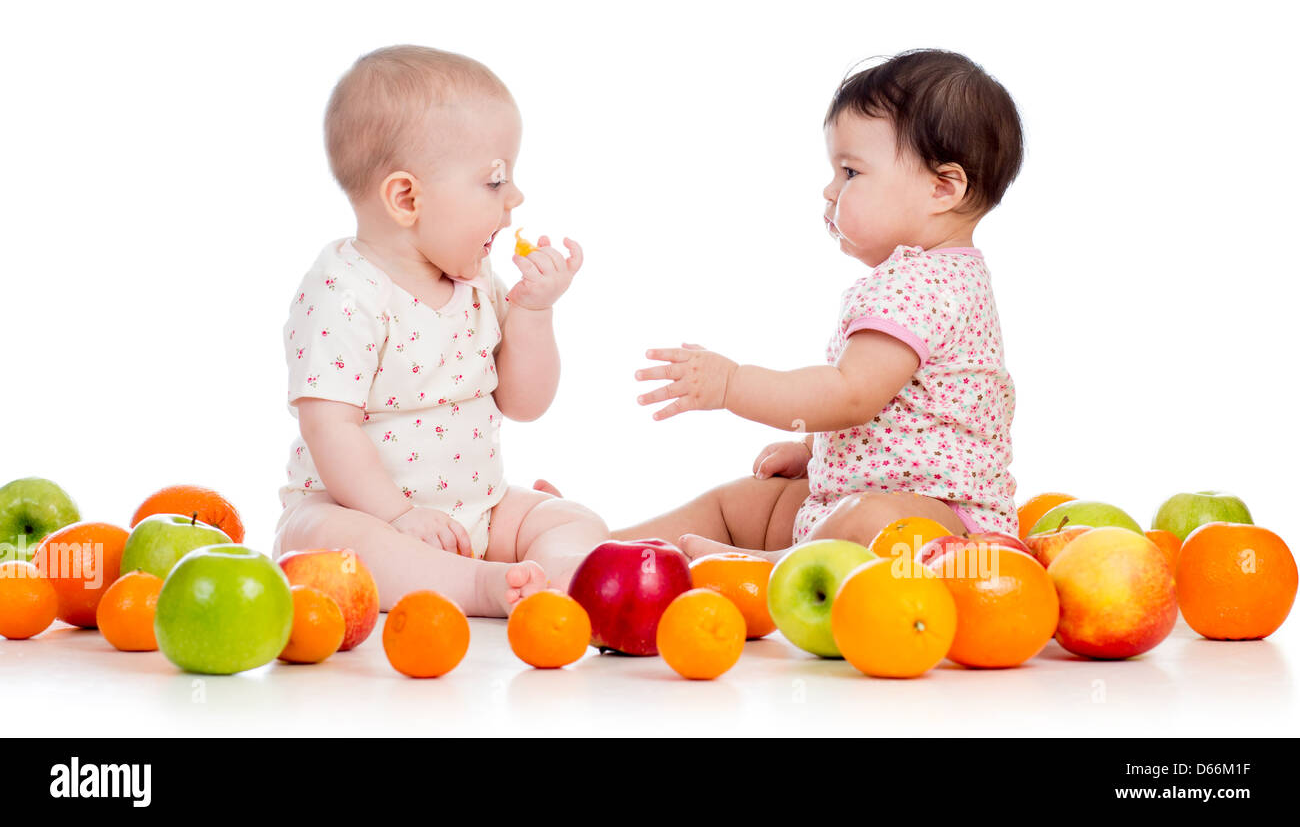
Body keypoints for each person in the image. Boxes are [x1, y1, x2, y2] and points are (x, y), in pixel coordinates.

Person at [615, 49, 1023, 561]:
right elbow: (899, 410)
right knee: (743, 502)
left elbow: (848, 395)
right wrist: (814, 454)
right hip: (850, 503)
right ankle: (604, 545)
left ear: (942, 187)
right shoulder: (937, 277)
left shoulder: (922, 285)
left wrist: (731, 384)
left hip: (946, 532)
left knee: (870, 519)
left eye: (850, 172)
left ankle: (764, 571)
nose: (829, 190)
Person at [274, 45, 609, 615]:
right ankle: (478, 587)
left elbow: (524, 403)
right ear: (406, 198)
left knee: (574, 520)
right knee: (336, 543)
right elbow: (330, 424)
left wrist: (533, 313)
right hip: (360, 514)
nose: (516, 199)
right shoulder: (344, 292)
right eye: (495, 181)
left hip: (477, 510)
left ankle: (549, 577)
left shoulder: (479, 282)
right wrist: (398, 516)